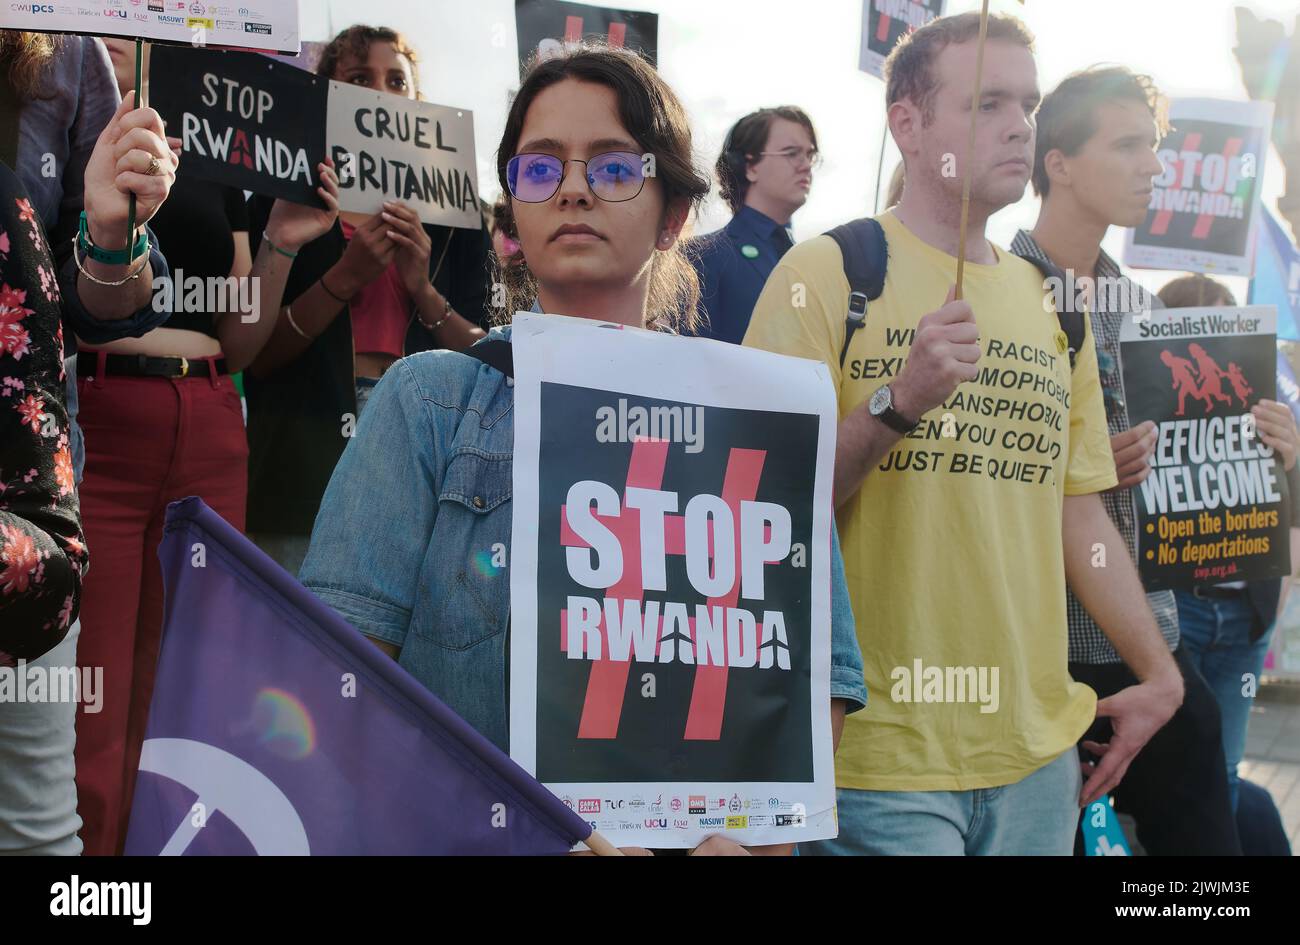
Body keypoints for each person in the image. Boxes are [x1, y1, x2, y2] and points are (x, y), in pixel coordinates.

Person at [298, 45, 867, 856]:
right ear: (514, 209)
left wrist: (755, 843)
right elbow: (335, 684)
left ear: (673, 213)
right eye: (539, 168)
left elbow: (813, 696)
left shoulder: (762, 421)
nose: (571, 188)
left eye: (613, 167)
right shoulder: (429, 402)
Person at [744, 12, 1184, 855]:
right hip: (877, 761)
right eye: (987, 103)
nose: (1020, 125)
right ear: (907, 125)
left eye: (1027, 104)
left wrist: (1160, 675)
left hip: (1037, 762)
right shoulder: (828, 274)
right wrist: (899, 400)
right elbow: (761, 511)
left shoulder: (1054, 305)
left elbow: (1080, 518)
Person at [66, 39, 341, 858]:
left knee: (193, 682)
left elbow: (242, 338)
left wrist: (283, 238)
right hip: (97, 415)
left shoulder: (211, 146)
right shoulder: (58, 117)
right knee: (90, 690)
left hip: (214, 418)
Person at [1010, 65, 1246, 855]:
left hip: (1156, 641)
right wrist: (1076, 470)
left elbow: (1197, 485)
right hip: (1045, 655)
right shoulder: (999, 296)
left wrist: (1261, 445)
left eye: (1154, 146)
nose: (1153, 165)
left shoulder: (1145, 311)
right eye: (1127, 146)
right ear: (1059, 162)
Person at [0, 31, 173, 856]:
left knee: (34, 830)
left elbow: (101, 306)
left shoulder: (65, 47)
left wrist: (111, 231)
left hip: (17, 518)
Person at [244, 24, 494, 577]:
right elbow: (256, 356)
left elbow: (489, 355)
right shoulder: (287, 194)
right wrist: (345, 277)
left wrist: (423, 290)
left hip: (425, 436)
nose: (379, 92)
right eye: (359, 78)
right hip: (303, 448)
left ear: (417, 101)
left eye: (396, 80)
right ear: (328, 96)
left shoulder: (459, 211)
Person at [1158, 273, 1300, 817]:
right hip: (1176, 612)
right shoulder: (1143, 406)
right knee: (1164, 768)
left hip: (1244, 622)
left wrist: (1275, 598)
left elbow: (1293, 515)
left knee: (1224, 770)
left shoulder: (1269, 415)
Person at [688, 107, 819, 344]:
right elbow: (686, 356)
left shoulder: (814, 263)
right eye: (791, 153)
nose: (806, 165)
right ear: (750, 167)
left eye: (810, 155)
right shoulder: (703, 256)